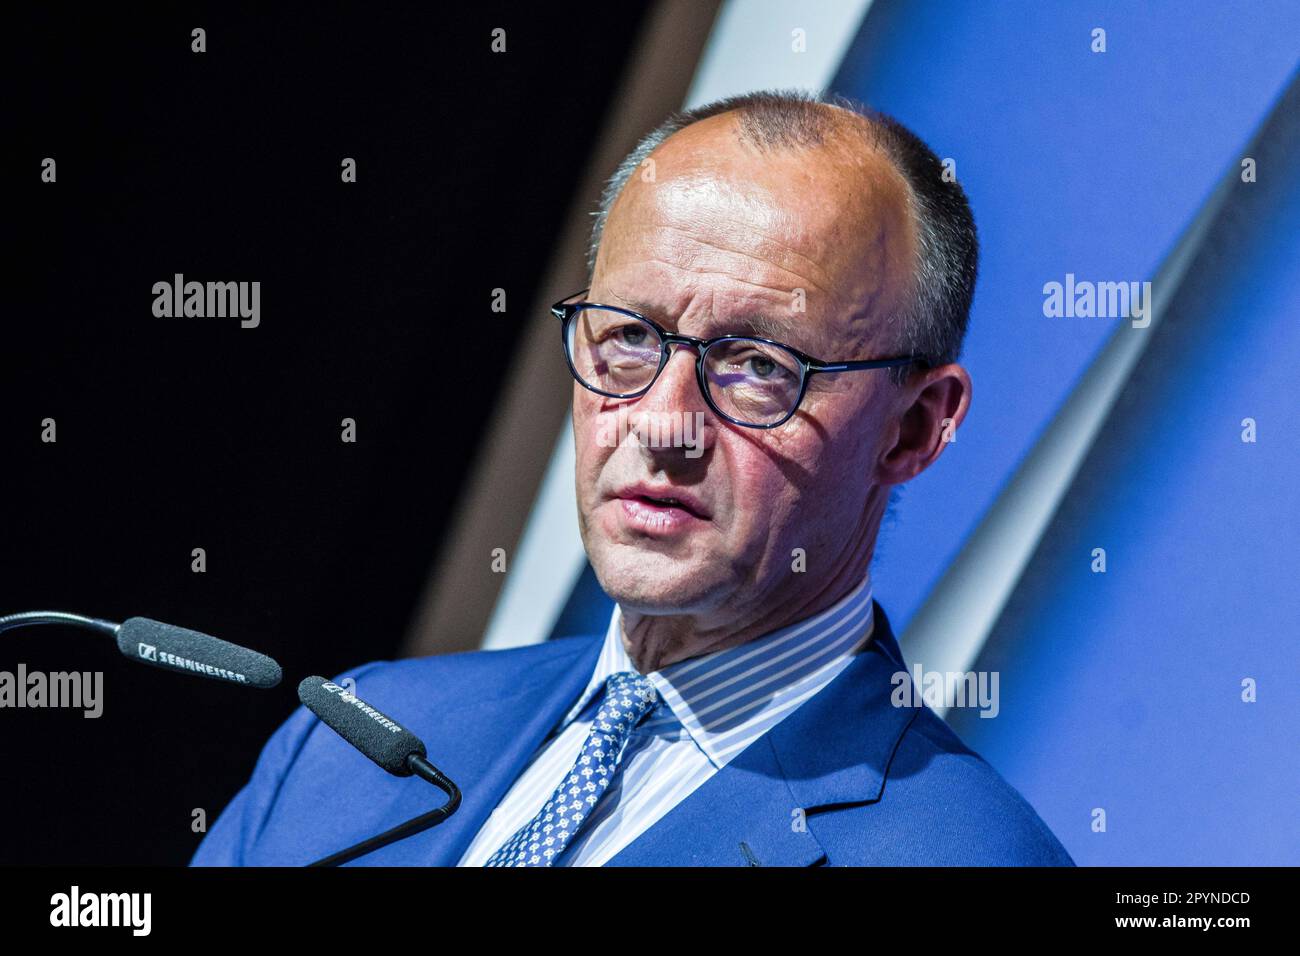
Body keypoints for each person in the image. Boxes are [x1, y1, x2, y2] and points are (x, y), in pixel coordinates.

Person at [191, 89, 1074, 867]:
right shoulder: (353, 736)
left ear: (913, 429)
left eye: (758, 365)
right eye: (629, 337)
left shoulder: (960, 855)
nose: (662, 423)